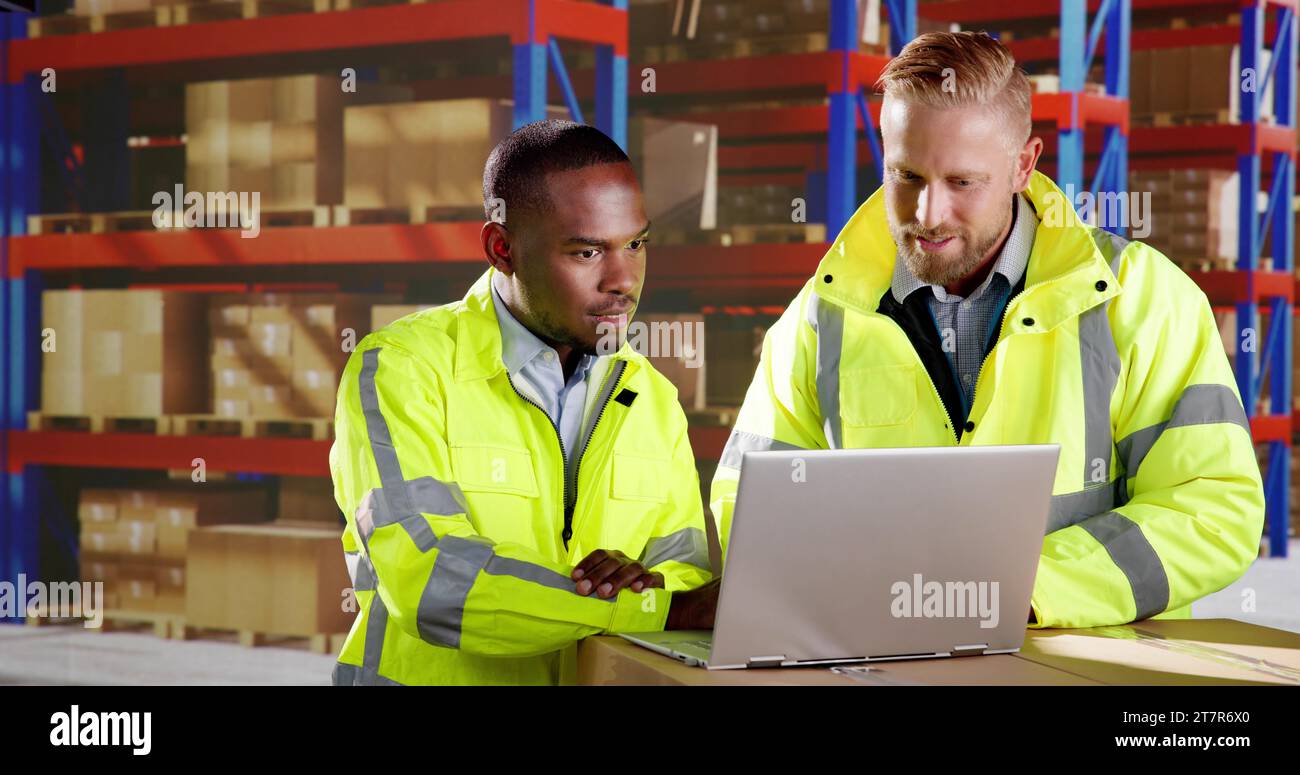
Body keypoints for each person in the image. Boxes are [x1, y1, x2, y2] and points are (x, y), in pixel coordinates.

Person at [710, 31, 1264, 629]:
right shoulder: (822, 317)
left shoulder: (1143, 298)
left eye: (962, 183)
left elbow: (1212, 507)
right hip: (891, 660)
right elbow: (750, 506)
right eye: (908, 176)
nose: (927, 215)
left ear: (1023, 165)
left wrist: (1021, 590)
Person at [330, 120, 716, 685]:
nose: (623, 280)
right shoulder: (403, 369)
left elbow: (685, 572)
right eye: (587, 252)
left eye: (635, 244)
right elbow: (433, 583)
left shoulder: (653, 399)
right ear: (502, 248)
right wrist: (651, 608)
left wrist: (655, 584)